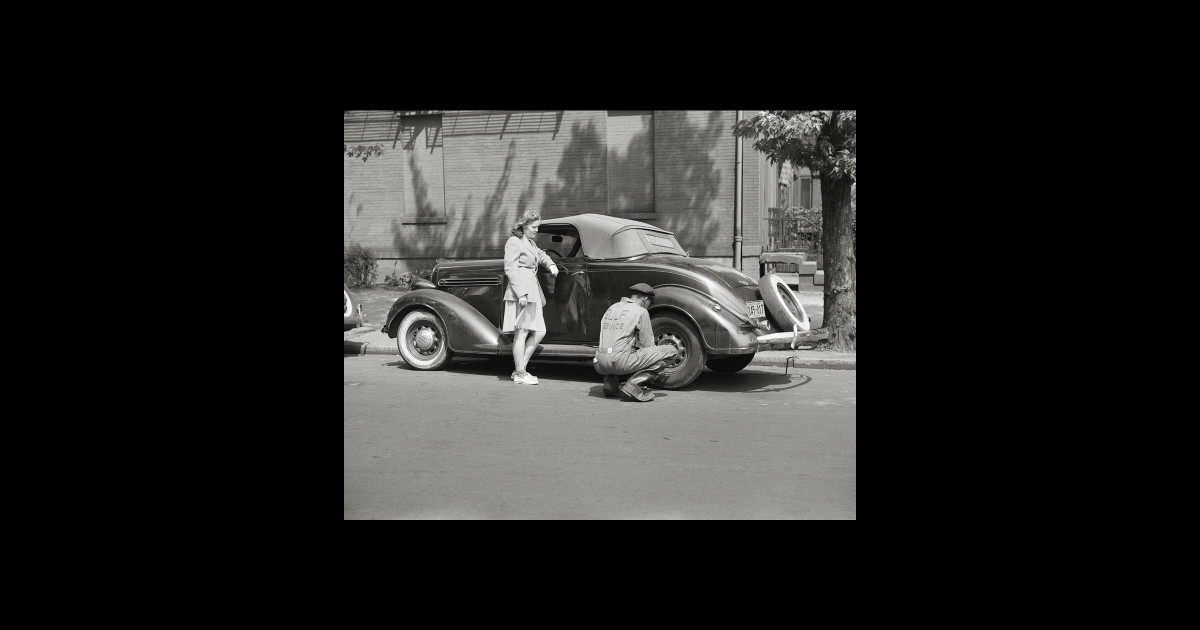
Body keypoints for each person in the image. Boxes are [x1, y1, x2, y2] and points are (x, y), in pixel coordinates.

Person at [594, 283, 678, 402]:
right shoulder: (640, 311)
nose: (648, 306)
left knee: (619, 348)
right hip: (619, 362)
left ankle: (610, 383)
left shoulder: (612, 308)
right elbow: (647, 345)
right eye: (650, 302)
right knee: (671, 351)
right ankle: (633, 384)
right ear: (645, 299)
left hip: (599, 363)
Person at [503, 211, 558, 385]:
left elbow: (540, 254)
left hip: (532, 291)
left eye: (537, 227)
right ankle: (520, 372)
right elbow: (510, 269)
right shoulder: (513, 242)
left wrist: (550, 263)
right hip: (522, 293)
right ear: (524, 226)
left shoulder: (530, 243)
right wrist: (521, 294)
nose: (536, 230)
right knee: (522, 332)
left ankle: (520, 369)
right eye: (533, 227)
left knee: (540, 331)